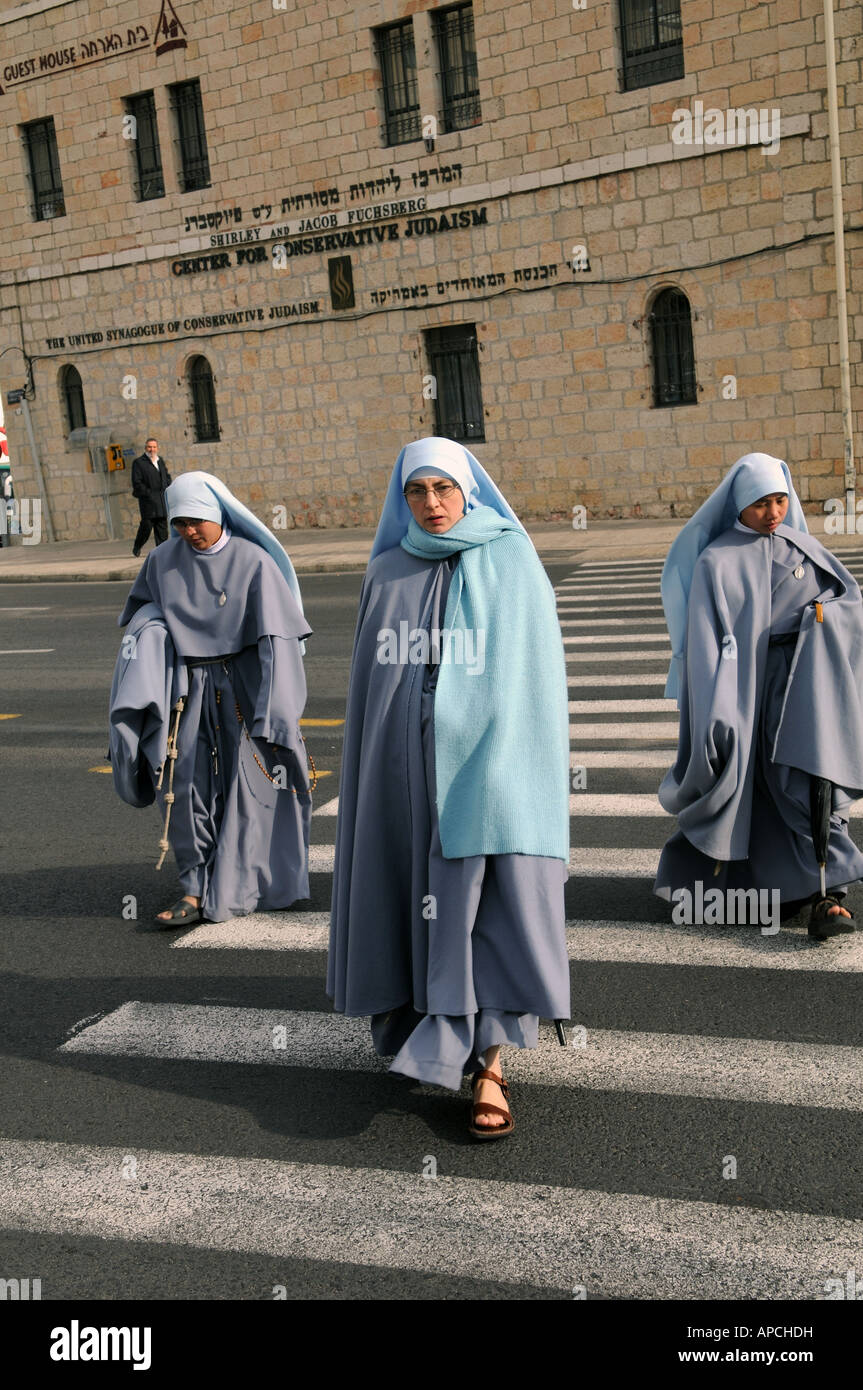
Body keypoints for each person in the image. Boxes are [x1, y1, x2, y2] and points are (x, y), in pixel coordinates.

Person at [328, 437, 570, 1139]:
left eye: (442, 489)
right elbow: (371, 694)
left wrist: (502, 760)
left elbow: (533, 682)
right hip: (407, 774)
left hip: (491, 769)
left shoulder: (511, 556)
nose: (430, 504)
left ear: (467, 489)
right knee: (418, 900)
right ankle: (419, 1021)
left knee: (490, 904)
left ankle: (490, 1067)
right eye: (416, 492)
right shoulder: (388, 569)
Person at [655, 452, 863, 940]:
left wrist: (823, 621)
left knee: (811, 781)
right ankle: (738, 892)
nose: (773, 513)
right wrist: (717, 712)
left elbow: (849, 603)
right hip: (747, 696)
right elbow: (708, 644)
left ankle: (830, 897)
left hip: (807, 689)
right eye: (760, 504)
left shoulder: (803, 547)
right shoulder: (717, 560)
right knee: (747, 786)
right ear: (739, 505)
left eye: (779, 501)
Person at [110, 470, 313, 925]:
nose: (189, 531)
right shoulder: (162, 561)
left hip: (244, 685)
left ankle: (249, 880)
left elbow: (277, 641)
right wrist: (154, 632)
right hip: (187, 688)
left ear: (218, 513)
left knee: (254, 784)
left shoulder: (252, 561)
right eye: (180, 522)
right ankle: (194, 888)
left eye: (197, 520)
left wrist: (276, 711)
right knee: (185, 786)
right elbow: (143, 612)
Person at [131, 438, 171, 556]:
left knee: (162, 528)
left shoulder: (160, 461)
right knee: (146, 527)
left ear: (157, 448)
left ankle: (162, 552)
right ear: (145, 448)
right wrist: (148, 493)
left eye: (154, 447)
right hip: (148, 502)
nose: (152, 449)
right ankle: (137, 546)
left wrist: (167, 486)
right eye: (149, 447)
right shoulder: (139, 463)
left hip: (161, 500)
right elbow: (137, 482)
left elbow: (166, 476)